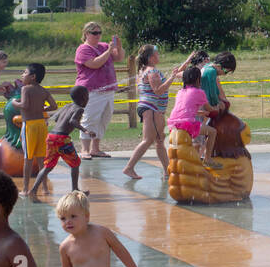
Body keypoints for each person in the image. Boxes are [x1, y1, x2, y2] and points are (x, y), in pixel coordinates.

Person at [122, 45, 185, 180]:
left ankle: (167, 170)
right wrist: (173, 77)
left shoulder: (144, 70)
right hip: (152, 108)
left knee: (159, 140)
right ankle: (129, 167)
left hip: (151, 108)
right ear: (151, 58)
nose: (159, 56)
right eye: (157, 54)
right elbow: (158, 90)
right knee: (148, 140)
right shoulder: (152, 71)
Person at [28, 86, 89, 201]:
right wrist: (85, 130)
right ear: (83, 98)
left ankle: (33, 190)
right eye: (88, 97)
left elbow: (56, 118)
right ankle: (75, 190)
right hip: (62, 139)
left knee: (48, 166)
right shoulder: (79, 109)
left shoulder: (67, 106)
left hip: (51, 137)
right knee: (75, 163)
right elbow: (73, 121)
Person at [74, 22, 124, 159]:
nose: (98, 35)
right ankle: (84, 149)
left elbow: (119, 58)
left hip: (108, 89)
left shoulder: (103, 46)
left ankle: (95, 149)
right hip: (92, 90)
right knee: (90, 119)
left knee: (104, 119)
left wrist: (118, 46)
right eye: (94, 33)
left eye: (99, 32)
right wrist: (108, 51)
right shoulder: (83, 49)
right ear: (86, 34)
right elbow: (94, 64)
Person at [11, 63, 57, 196]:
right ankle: (45, 189)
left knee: (28, 158)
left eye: (24, 73)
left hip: (30, 126)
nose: (22, 75)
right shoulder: (43, 90)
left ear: (32, 76)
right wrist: (42, 109)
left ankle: (25, 189)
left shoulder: (26, 89)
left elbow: (24, 105)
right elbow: (53, 105)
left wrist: (14, 102)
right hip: (42, 125)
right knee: (41, 158)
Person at [168, 65, 219, 164]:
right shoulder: (199, 92)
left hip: (173, 124)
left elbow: (184, 111)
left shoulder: (180, 92)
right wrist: (216, 109)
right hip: (187, 125)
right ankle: (208, 159)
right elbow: (210, 108)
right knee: (213, 132)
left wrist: (201, 113)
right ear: (198, 79)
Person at [201, 52, 235, 119]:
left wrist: (220, 99)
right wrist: (217, 104)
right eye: (226, 71)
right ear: (219, 66)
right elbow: (212, 92)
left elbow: (216, 89)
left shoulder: (207, 66)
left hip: (202, 101)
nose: (224, 74)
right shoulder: (212, 71)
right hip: (203, 104)